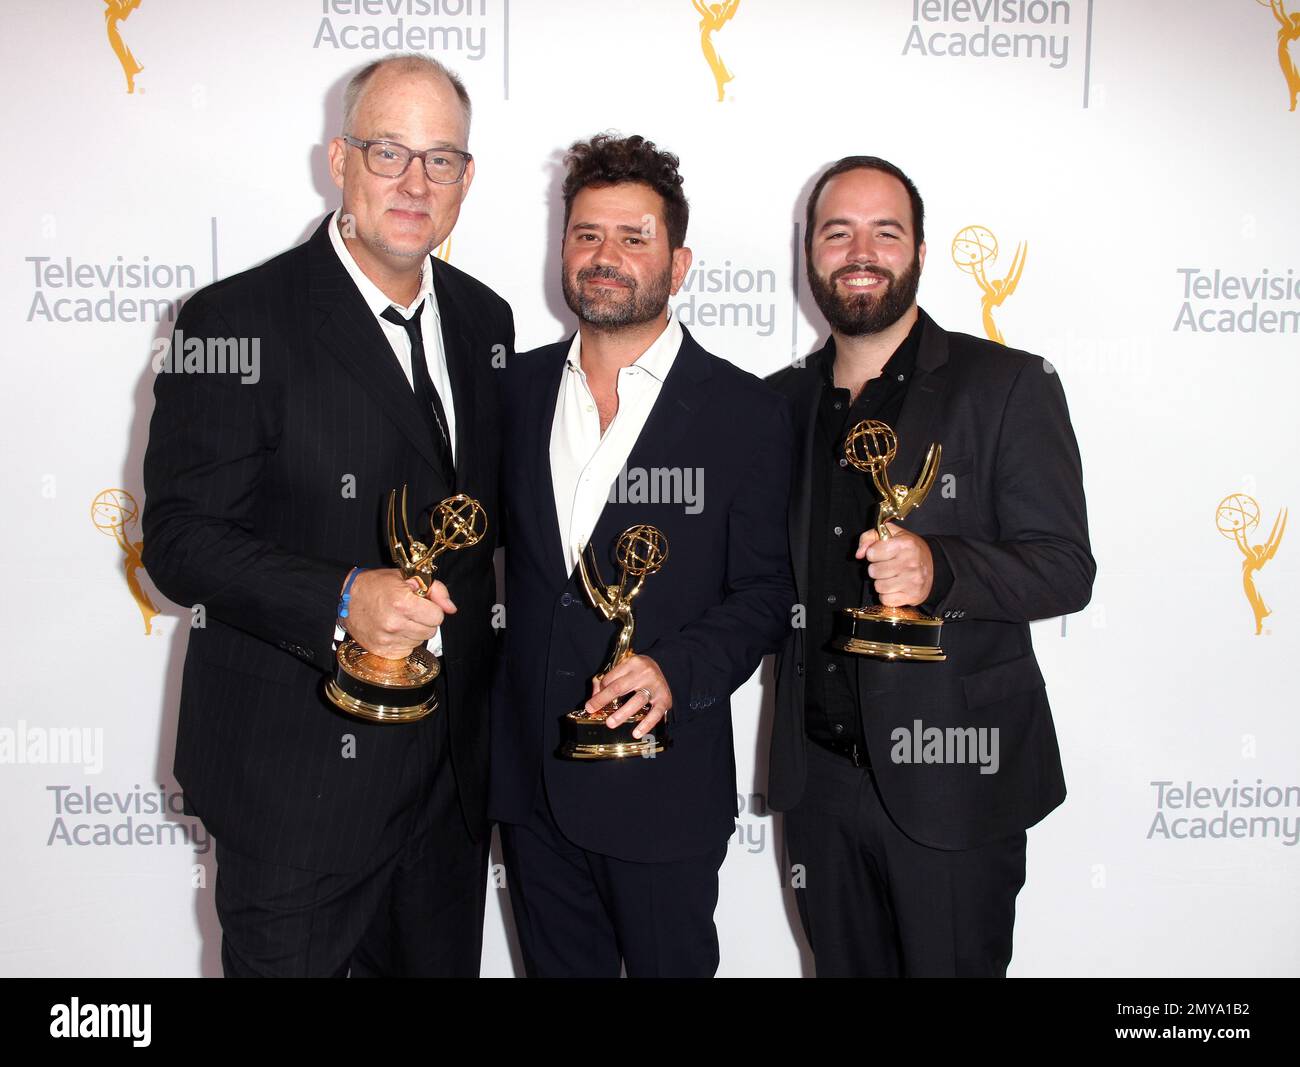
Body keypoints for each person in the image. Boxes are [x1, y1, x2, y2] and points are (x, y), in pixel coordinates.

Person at [141, 53, 514, 977]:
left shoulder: (487, 322)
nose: (414, 182)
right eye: (389, 152)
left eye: (440, 160)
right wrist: (344, 595)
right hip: (294, 786)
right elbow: (180, 538)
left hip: (448, 797)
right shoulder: (235, 319)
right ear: (339, 160)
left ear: (467, 180)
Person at [767, 156, 1094, 977]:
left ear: (919, 249)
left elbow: (1065, 568)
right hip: (821, 787)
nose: (861, 251)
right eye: (838, 232)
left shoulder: (1008, 384)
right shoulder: (777, 404)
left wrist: (940, 570)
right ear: (811, 252)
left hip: (956, 775)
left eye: (886, 231)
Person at [491, 133, 795, 978]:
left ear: (680, 260)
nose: (606, 256)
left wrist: (674, 669)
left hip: (663, 787)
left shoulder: (745, 412)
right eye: (587, 234)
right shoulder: (510, 392)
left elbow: (767, 594)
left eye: (634, 237)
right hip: (531, 785)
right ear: (561, 248)